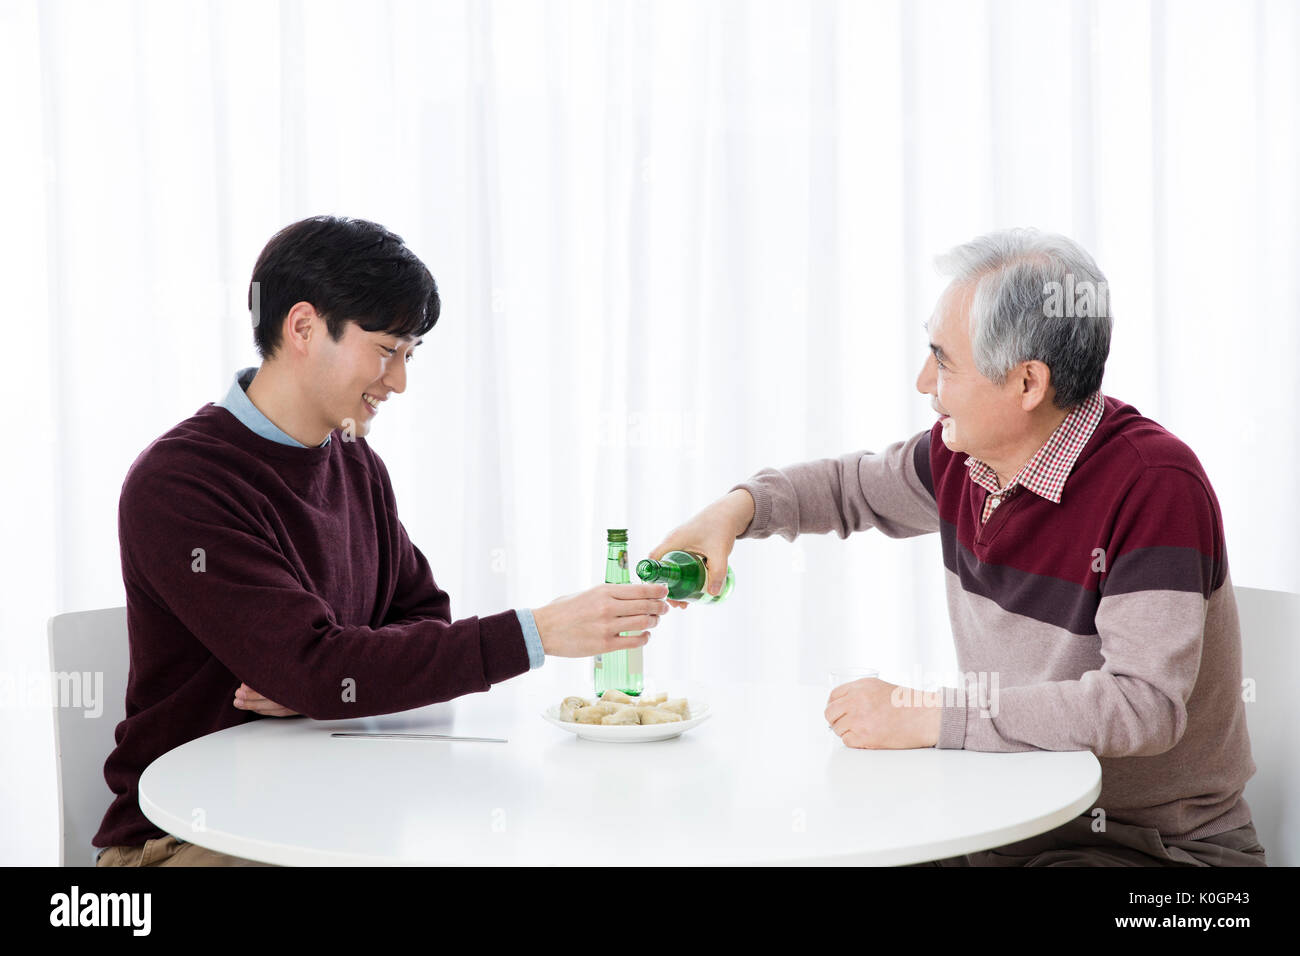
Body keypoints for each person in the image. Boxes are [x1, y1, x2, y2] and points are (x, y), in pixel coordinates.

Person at [649, 227, 1266, 867]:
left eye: (942, 360)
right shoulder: (960, 460)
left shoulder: (1153, 484)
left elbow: (1142, 705)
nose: (923, 382)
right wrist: (734, 510)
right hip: (1006, 827)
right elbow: (844, 488)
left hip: (1164, 857)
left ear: (1027, 384)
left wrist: (931, 716)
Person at [94, 216, 669, 867]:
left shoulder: (352, 459)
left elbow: (421, 614)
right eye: (387, 349)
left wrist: (325, 682)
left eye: (410, 355)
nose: (398, 382)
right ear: (304, 328)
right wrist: (534, 632)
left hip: (335, 809)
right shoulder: (183, 482)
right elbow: (321, 663)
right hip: (194, 838)